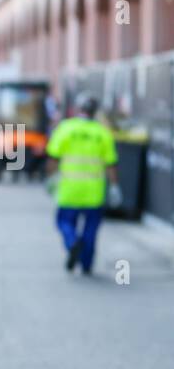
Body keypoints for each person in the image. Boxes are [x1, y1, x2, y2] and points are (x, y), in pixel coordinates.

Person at [45, 95, 120, 275]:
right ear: (95, 112)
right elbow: (111, 164)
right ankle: (86, 265)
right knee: (91, 230)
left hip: (70, 190)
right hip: (94, 192)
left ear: (78, 109)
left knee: (63, 221)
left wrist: (50, 178)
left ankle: (72, 243)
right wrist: (114, 186)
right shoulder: (102, 133)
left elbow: (53, 159)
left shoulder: (65, 128)